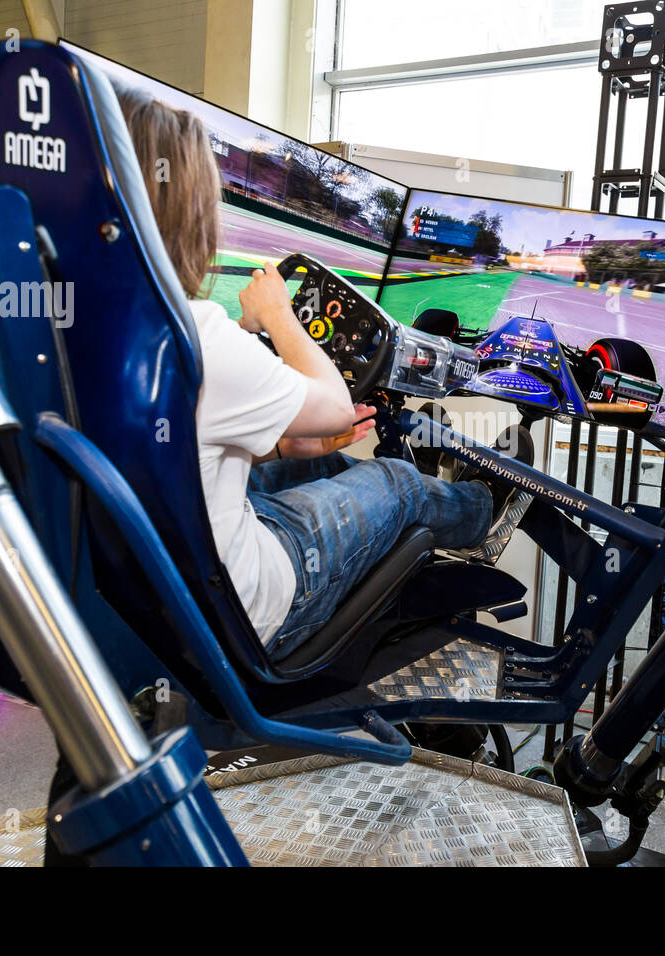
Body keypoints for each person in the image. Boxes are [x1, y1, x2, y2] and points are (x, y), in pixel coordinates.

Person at [116, 89, 529, 661]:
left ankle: (440, 490)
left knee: (319, 458)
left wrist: (282, 444)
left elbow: (180, 450)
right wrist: (278, 316)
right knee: (394, 483)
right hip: (241, 610)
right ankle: (482, 512)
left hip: (141, 586)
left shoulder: (73, 324)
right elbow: (336, 407)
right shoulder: (194, 335)